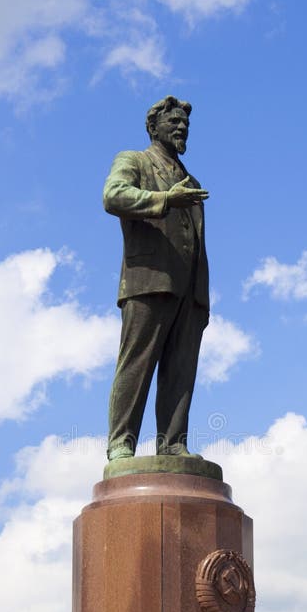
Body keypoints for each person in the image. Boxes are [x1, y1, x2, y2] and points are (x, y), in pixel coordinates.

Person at [103, 95, 210, 461]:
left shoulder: (190, 180)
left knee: (181, 371)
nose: (181, 127)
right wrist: (165, 199)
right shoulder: (133, 160)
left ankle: (173, 443)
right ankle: (121, 442)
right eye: (174, 122)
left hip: (189, 291)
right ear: (153, 127)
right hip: (147, 281)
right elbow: (113, 195)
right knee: (137, 363)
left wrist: (201, 297)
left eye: (185, 124)